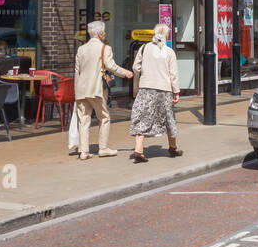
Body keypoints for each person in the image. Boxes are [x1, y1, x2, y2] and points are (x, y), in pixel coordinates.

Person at [72, 21, 133, 160]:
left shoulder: (81, 49)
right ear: (100, 34)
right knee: (104, 117)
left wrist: (76, 91)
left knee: (83, 120)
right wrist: (126, 73)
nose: (105, 34)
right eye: (104, 31)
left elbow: (77, 71)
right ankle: (103, 148)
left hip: (81, 90)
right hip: (96, 89)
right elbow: (111, 66)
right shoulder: (105, 48)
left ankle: (84, 151)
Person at [129, 23, 181, 163]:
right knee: (168, 117)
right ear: (167, 35)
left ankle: (139, 150)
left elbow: (135, 67)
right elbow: (173, 74)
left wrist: (144, 75)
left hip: (146, 87)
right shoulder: (170, 52)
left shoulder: (144, 48)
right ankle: (173, 147)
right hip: (164, 89)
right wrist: (176, 92)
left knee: (142, 116)